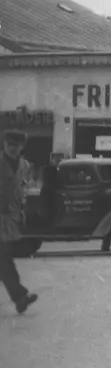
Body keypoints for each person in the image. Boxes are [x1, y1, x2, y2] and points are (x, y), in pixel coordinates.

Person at [1, 129, 37, 314]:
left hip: (11, 220)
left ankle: (19, 297)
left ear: (22, 146)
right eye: (9, 144)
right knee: (3, 259)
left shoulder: (24, 165)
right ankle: (19, 297)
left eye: (16, 145)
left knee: (4, 260)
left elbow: (24, 189)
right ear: (3, 144)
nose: (12, 148)